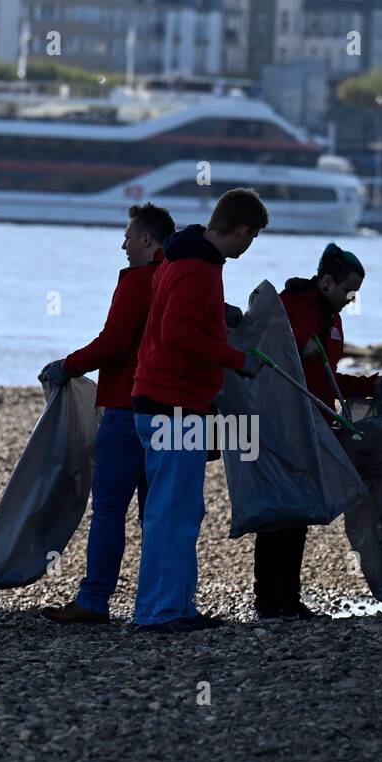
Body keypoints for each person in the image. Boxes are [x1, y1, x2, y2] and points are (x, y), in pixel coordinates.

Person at [130, 188, 268, 633]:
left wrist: (218, 314)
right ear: (242, 231)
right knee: (174, 510)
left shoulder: (180, 255)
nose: (250, 246)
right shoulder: (198, 267)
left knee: (177, 509)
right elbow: (179, 334)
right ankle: (162, 612)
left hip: (161, 399)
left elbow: (177, 316)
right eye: (253, 237)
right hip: (173, 403)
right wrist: (238, 360)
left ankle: (172, 605)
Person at [37, 203, 175, 625]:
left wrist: (66, 366)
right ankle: (160, 601)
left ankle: (94, 600)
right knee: (160, 512)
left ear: (147, 239)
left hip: (125, 406)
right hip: (170, 411)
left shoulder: (140, 280)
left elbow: (113, 342)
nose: (123, 243)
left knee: (111, 507)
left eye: (129, 235)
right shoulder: (178, 279)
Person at [254, 242, 379, 620]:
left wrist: (369, 385)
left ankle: (288, 599)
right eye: (347, 291)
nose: (350, 299)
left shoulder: (333, 319)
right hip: (281, 426)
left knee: (302, 514)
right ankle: (268, 602)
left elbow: (328, 378)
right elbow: (258, 350)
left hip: (316, 428)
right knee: (280, 513)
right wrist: (294, 344)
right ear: (326, 281)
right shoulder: (286, 305)